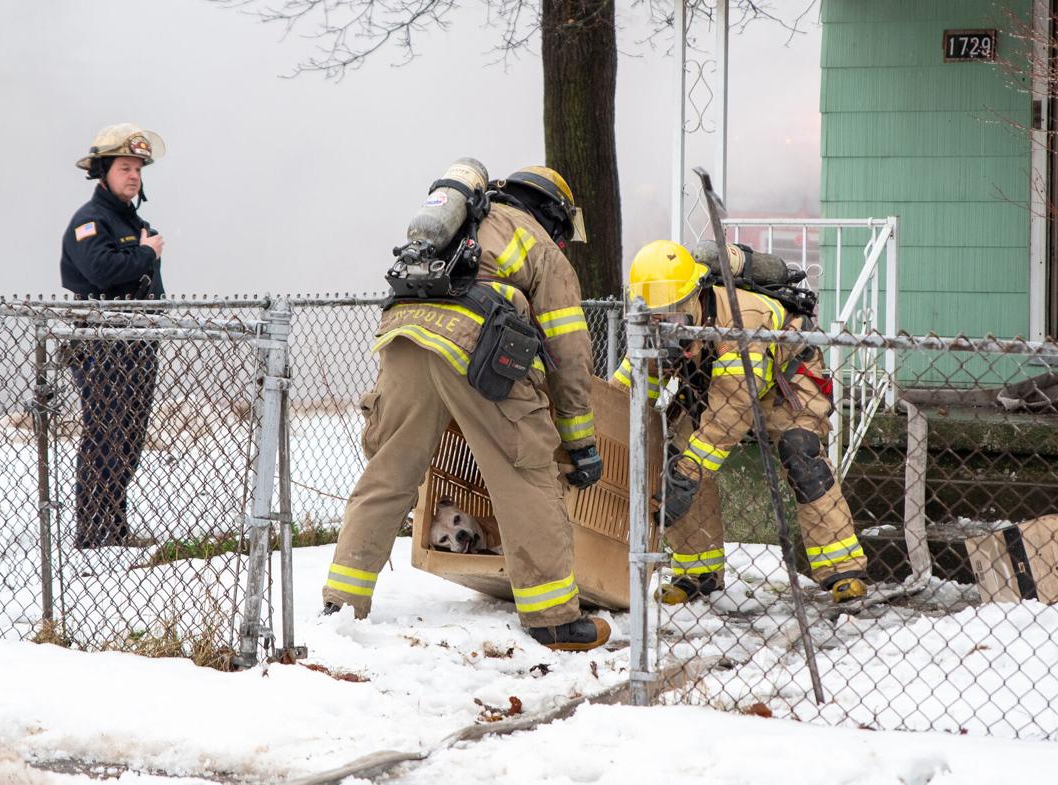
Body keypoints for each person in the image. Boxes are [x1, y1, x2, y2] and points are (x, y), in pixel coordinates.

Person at [321, 166, 611, 651]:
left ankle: (341, 603)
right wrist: (579, 442)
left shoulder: (464, 224)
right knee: (525, 476)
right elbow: (569, 352)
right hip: (479, 348)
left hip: (404, 337)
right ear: (554, 214)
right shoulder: (538, 242)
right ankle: (552, 620)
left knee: (388, 473)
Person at [613, 240, 868, 604]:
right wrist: (603, 420)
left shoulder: (740, 317)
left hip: (786, 382)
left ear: (696, 295)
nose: (664, 323)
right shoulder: (657, 324)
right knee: (677, 460)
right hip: (716, 383)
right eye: (655, 316)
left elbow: (733, 409)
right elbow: (628, 388)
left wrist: (690, 473)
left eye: (672, 313)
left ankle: (843, 570)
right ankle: (697, 573)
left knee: (801, 456)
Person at [59, 123, 166, 549]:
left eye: (138, 169)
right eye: (125, 168)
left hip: (137, 344)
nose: (134, 176)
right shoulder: (90, 221)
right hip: (101, 345)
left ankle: (115, 527)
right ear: (103, 171)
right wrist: (145, 253)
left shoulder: (135, 223)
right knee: (104, 436)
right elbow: (101, 271)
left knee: (129, 439)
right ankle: (93, 532)